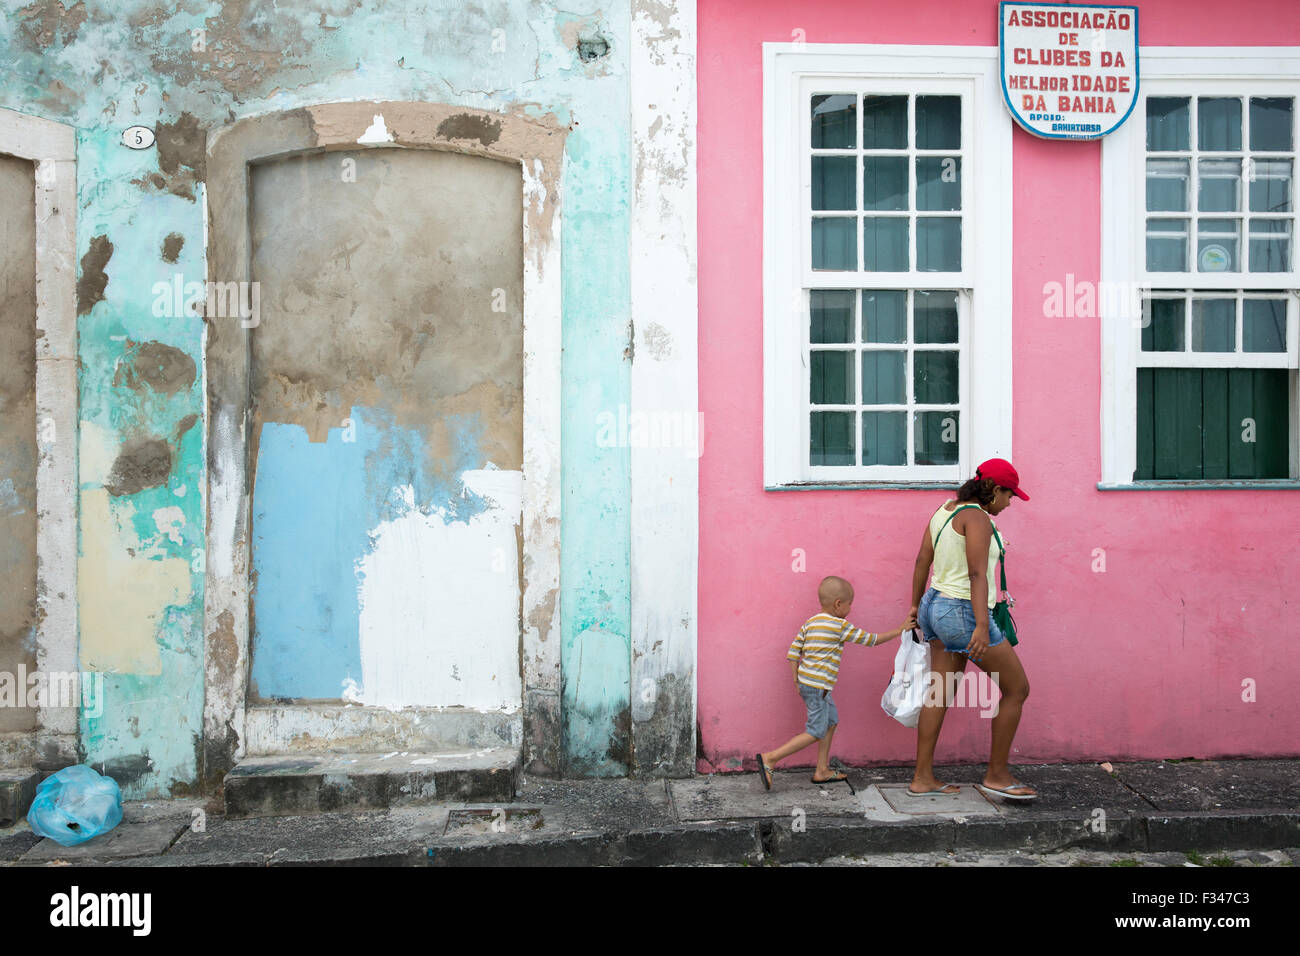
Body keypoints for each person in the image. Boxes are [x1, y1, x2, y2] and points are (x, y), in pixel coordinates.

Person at [907, 458, 1036, 800]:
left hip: (935, 604)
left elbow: (923, 559)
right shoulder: (977, 517)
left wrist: (914, 606)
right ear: (994, 490)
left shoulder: (945, 509)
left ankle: (922, 777)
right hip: (963, 611)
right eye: (1009, 495)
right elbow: (978, 574)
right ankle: (997, 775)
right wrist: (981, 625)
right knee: (1017, 689)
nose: (1010, 503)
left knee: (941, 690)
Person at [757, 575, 915, 789]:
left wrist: (796, 680)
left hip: (808, 684)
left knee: (831, 721)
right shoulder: (839, 625)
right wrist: (900, 629)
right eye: (850, 605)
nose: (850, 609)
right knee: (814, 731)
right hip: (819, 687)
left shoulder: (810, 622)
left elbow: (793, 652)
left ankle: (821, 770)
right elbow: (871, 640)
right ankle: (770, 759)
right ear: (838, 604)